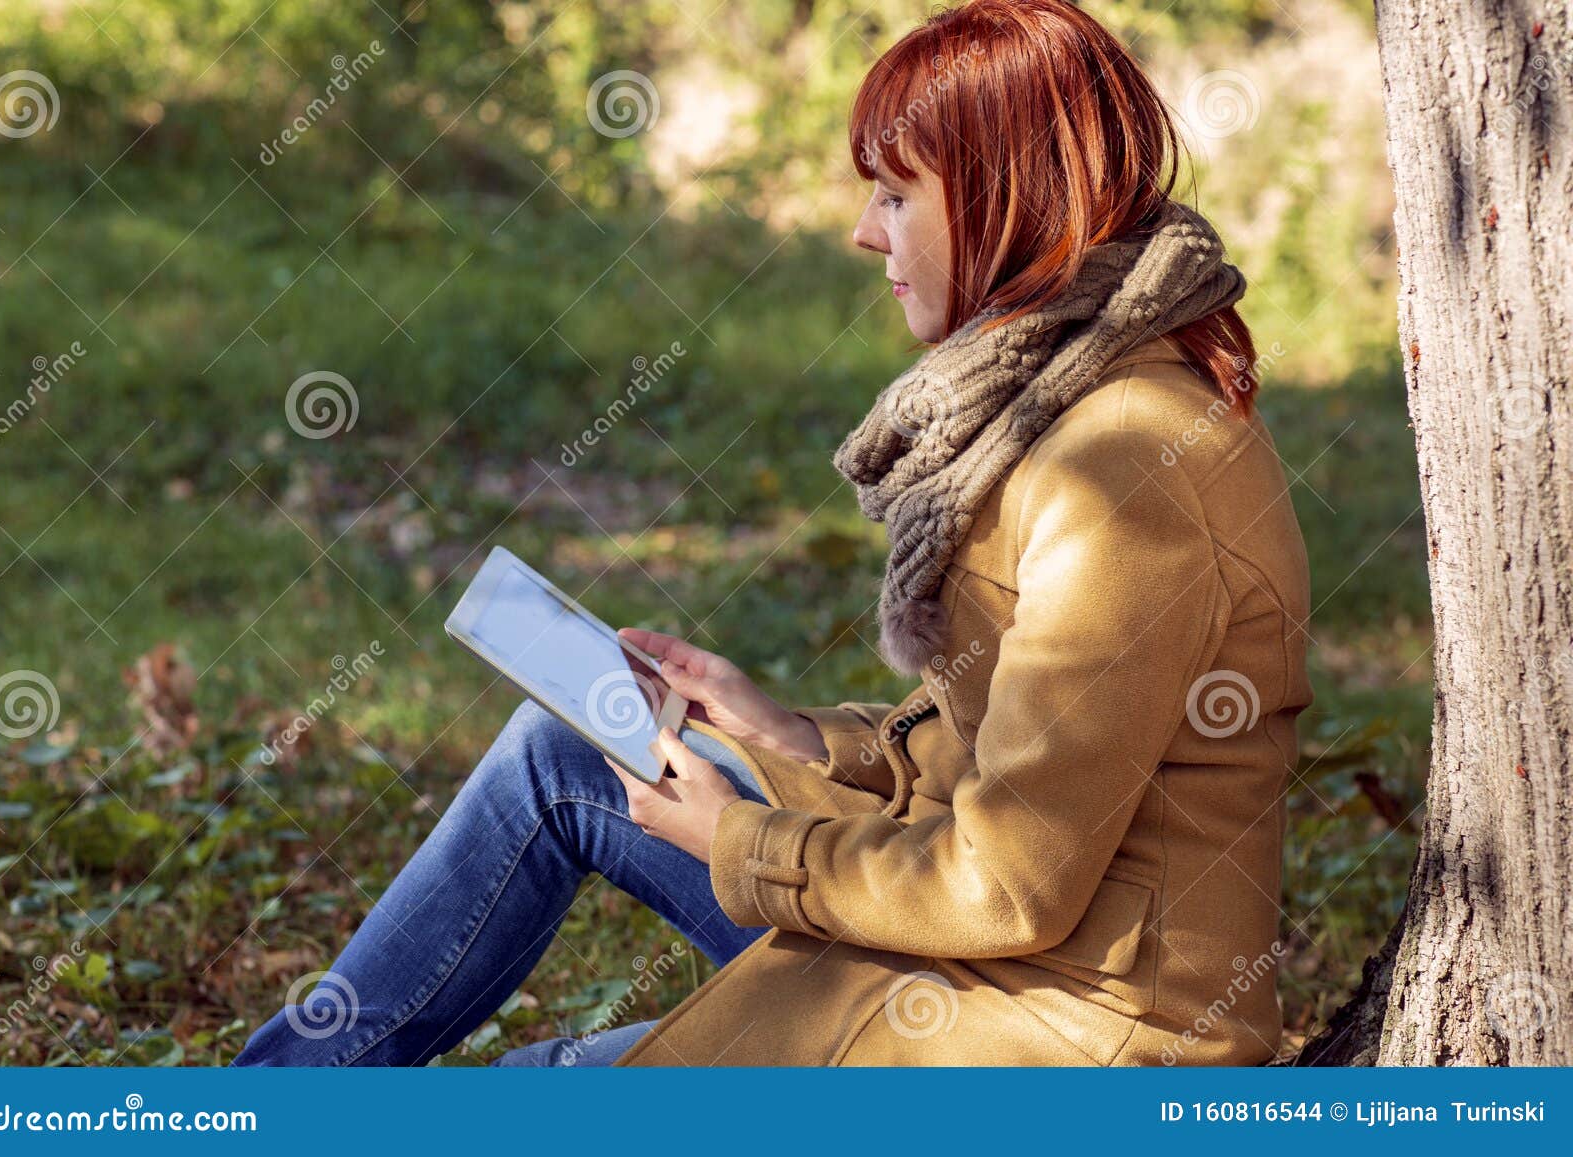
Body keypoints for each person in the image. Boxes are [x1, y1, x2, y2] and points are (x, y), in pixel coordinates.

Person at [234, 0, 1311, 1067]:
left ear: (1005, 201)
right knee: (565, 751)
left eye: (896, 196)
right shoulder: (1067, 395)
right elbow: (1007, 742)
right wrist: (793, 737)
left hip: (1064, 1026)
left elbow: (1009, 881)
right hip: (988, 957)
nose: (862, 231)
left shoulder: (1122, 478)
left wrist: (737, 837)